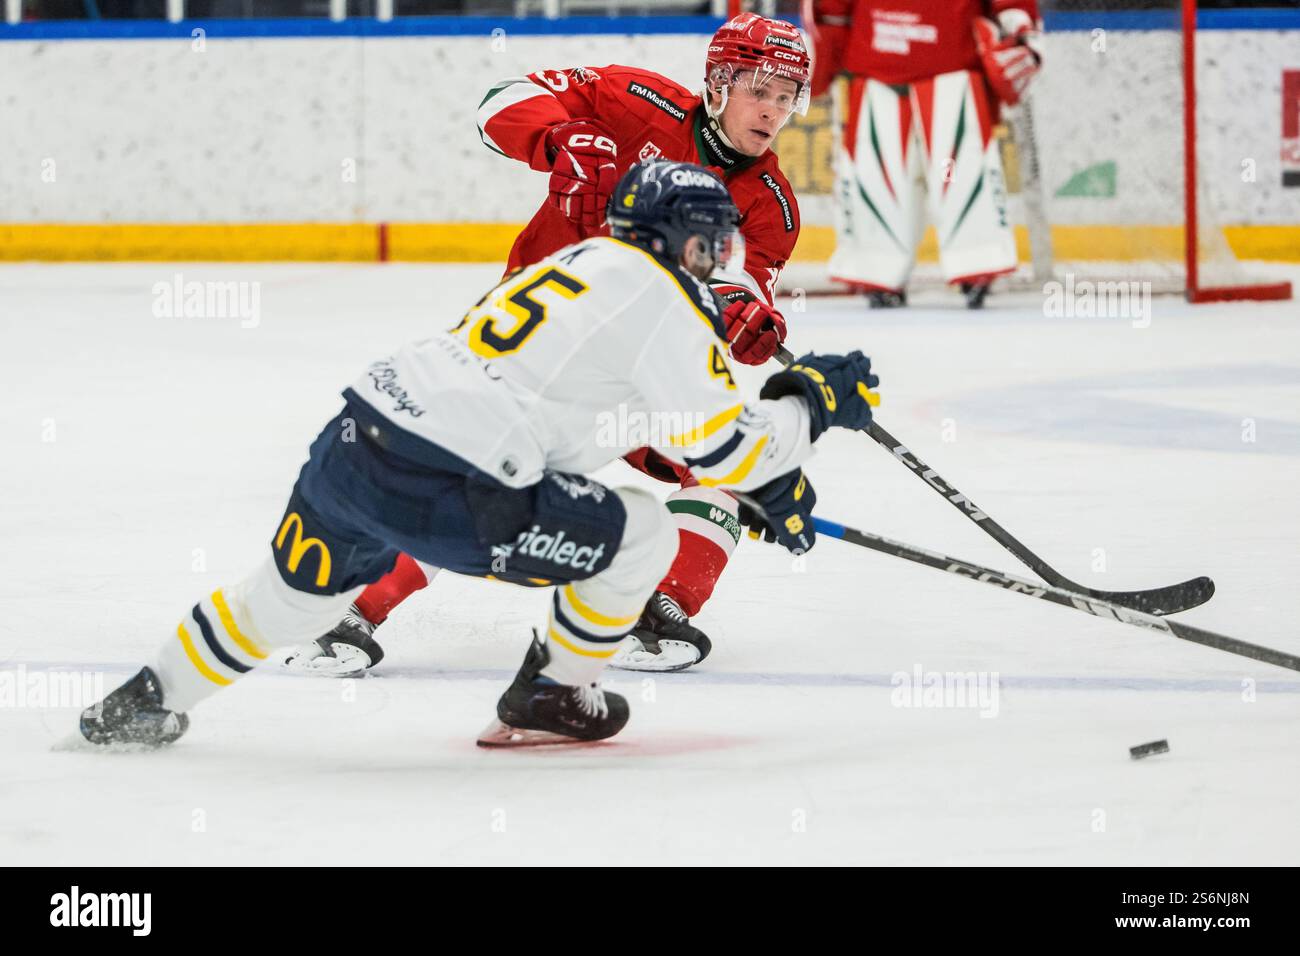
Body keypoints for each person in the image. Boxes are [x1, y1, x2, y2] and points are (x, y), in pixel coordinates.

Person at [78, 159, 880, 749]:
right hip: (454, 484)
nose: (720, 261)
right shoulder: (660, 295)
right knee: (643, 534)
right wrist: (807, 406)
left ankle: (144, 698)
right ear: (684, 242)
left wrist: (772, 483)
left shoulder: (577, 264)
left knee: (285, 601)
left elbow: (620, 418)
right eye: (713, 244)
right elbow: (724, 446)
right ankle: (552, 693)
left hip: (356, 440)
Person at [285, 13, 814, 677]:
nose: (772, 110)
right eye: (758, 90)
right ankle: (355, 607)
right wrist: (558, 136)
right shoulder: (633, 101)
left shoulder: (771, 204)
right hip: (532, 349)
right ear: (716, 85)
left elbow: (740, 286)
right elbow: (496, 103)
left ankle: (659, 608)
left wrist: (742, 313)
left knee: (727, 465)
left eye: (786, 96)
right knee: (478, 468)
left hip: (632, 374)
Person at [805, 0, 1043, 308]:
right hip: (877, 70)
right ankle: (878, 267)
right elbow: (832, 9)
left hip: (952, 69)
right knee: (878, 178)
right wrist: (824, 47)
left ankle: (975, 261)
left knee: (961, 174)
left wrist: (1017, 23)